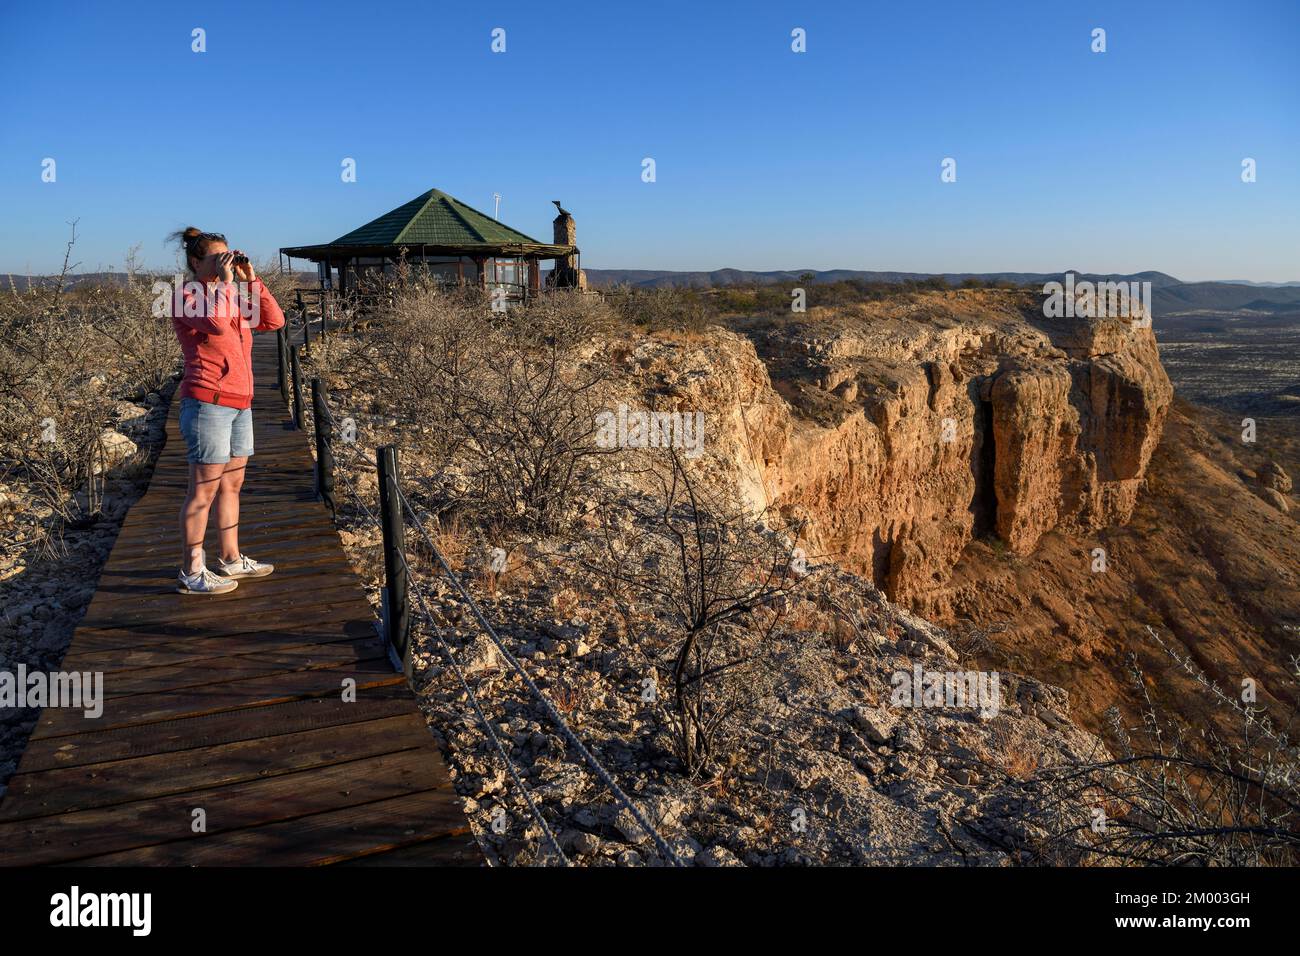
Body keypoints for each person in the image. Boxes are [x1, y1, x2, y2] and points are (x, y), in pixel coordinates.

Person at [167, 227, 286, 594]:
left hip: (240, 404)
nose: (226, 264)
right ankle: (192, 570)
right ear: (195, 262)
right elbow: (216, 325)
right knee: (203, 489)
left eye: (228, 257)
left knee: (232, 484)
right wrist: (223, 283)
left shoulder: (232, 294)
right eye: (218, 259)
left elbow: (274, 321)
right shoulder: (182, 295)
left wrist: (252, 281)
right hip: (207, 403)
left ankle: (231, 558)